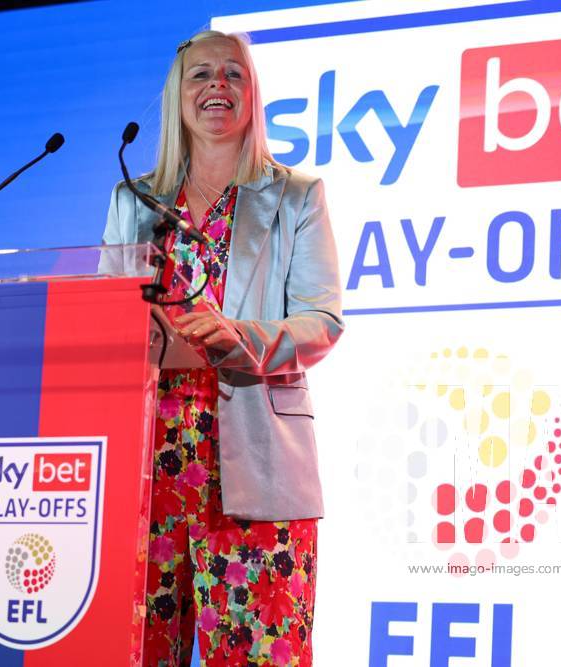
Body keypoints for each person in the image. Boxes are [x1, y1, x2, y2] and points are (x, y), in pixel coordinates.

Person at [103, 29, 343, 667]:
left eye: (233, 74)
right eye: (200, 74)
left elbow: (323, 321)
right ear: (176, 97)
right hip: (145, 467)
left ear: (253, 93)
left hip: (257, 457)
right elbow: (100, 320)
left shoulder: (296, 195)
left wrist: (246, 336)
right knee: (136, 653)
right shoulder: (135, 202)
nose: (217, 86)